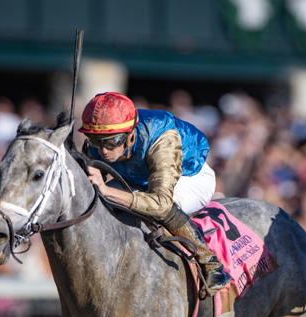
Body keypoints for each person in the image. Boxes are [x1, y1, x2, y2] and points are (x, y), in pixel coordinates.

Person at [79, 91, 231, 294]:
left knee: (156, 210)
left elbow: (161, 203)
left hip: (189, 176)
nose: (103, 151)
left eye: (111, 142)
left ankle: (211, 264)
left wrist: (107, 190)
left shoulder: (162, 138)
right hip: (141, 178)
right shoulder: (98, 143)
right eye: (96, 140)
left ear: (130, 134)